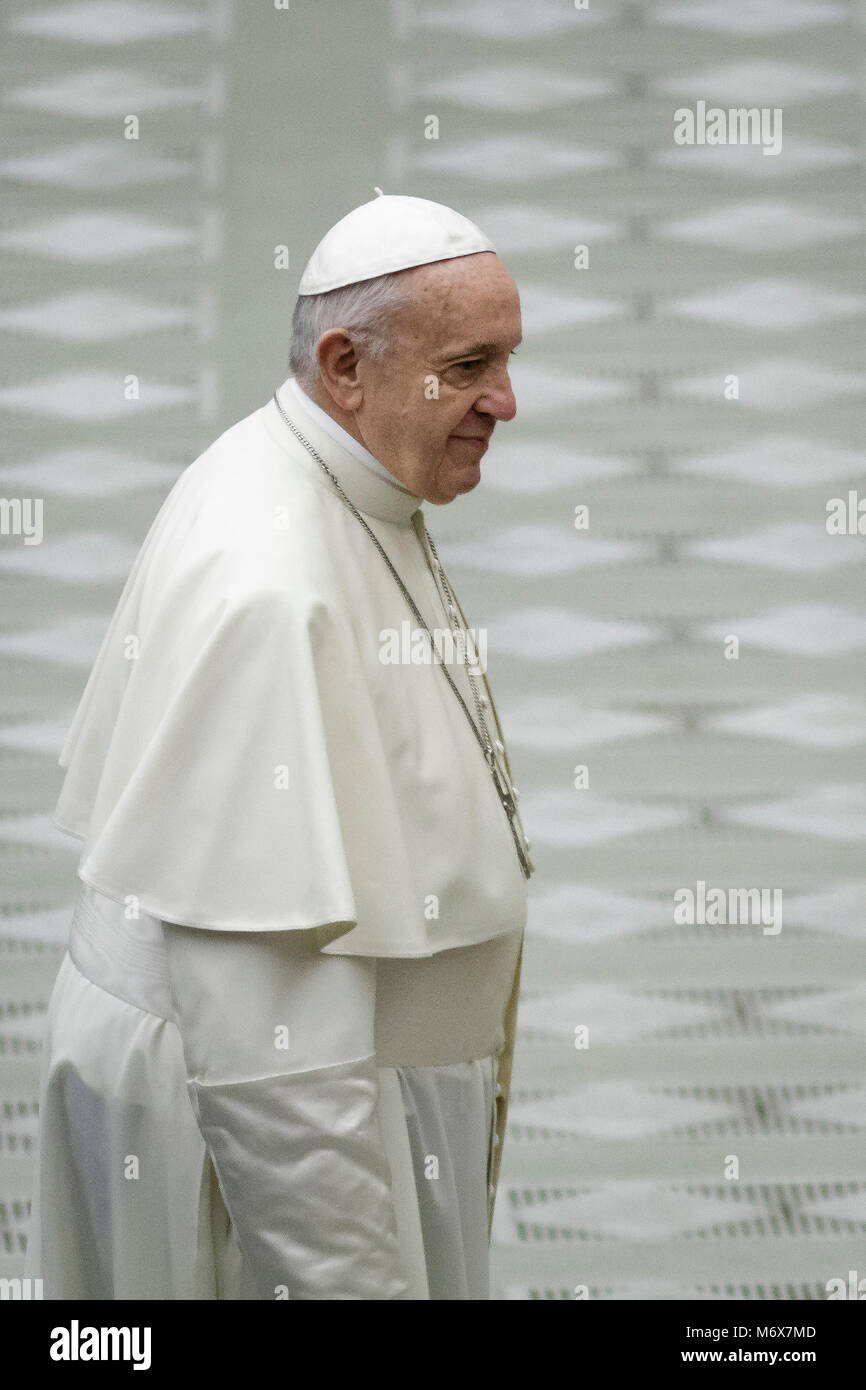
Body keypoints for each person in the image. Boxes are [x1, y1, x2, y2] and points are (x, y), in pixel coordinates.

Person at [24, 192, 533, 1300]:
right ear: (346, 365)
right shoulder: (269, 580)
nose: (506, 398)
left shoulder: (340, 485)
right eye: (471, 363)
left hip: (368, 1092)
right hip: (270, 1137)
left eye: (508, 358)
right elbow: (270, 1047)